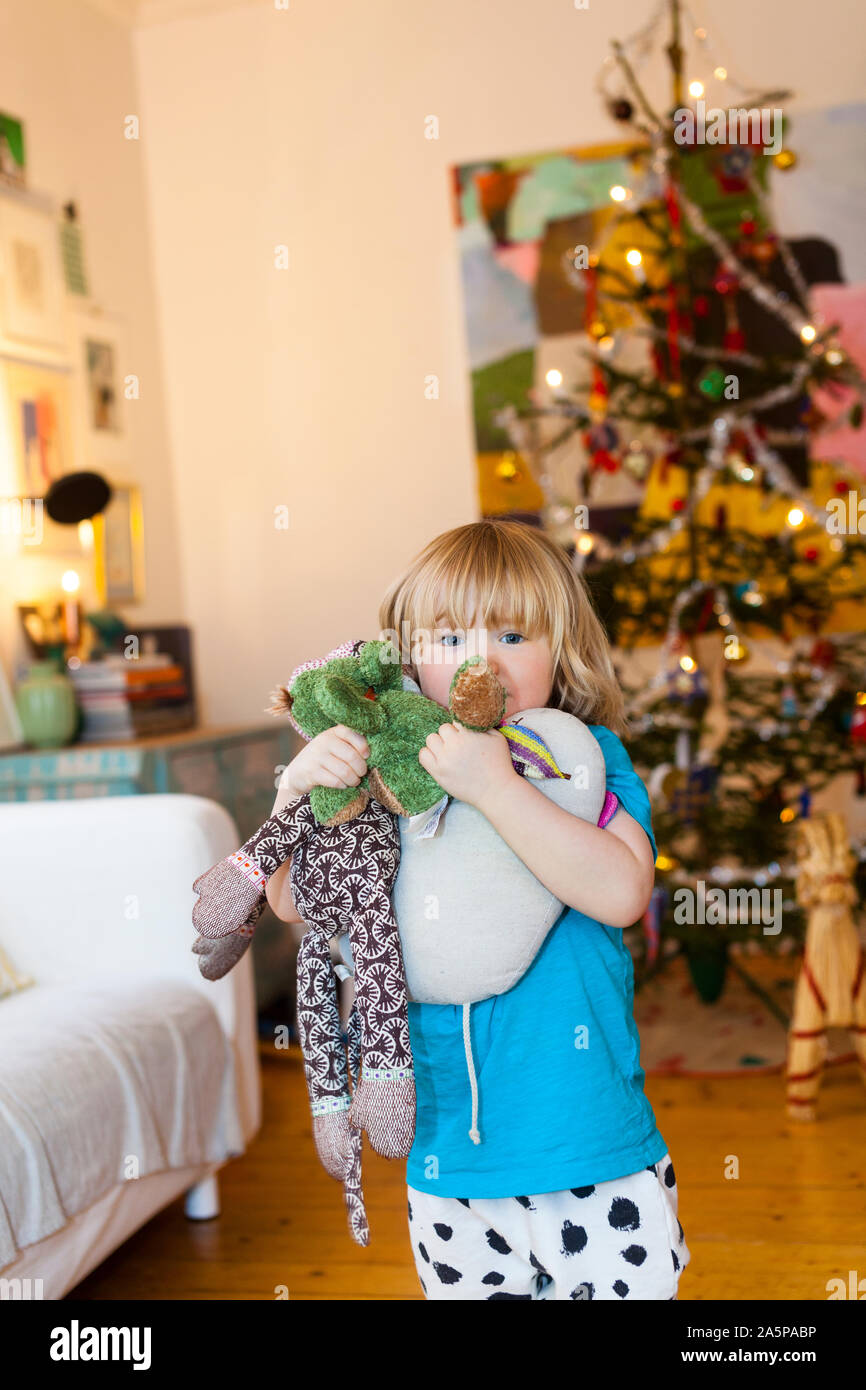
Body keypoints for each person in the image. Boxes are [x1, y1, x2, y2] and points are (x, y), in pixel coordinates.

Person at [268, 518, 690, 1300]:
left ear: (561, 649)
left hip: (587, 1146)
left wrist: (497, 786)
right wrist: (301, 789)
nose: (479, 661)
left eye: (511, 633)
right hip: (447, 1156)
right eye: (449, 637)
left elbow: (624, 891)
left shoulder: (576, 756)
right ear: (406, 657)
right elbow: (298, 903)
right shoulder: (388, 776)